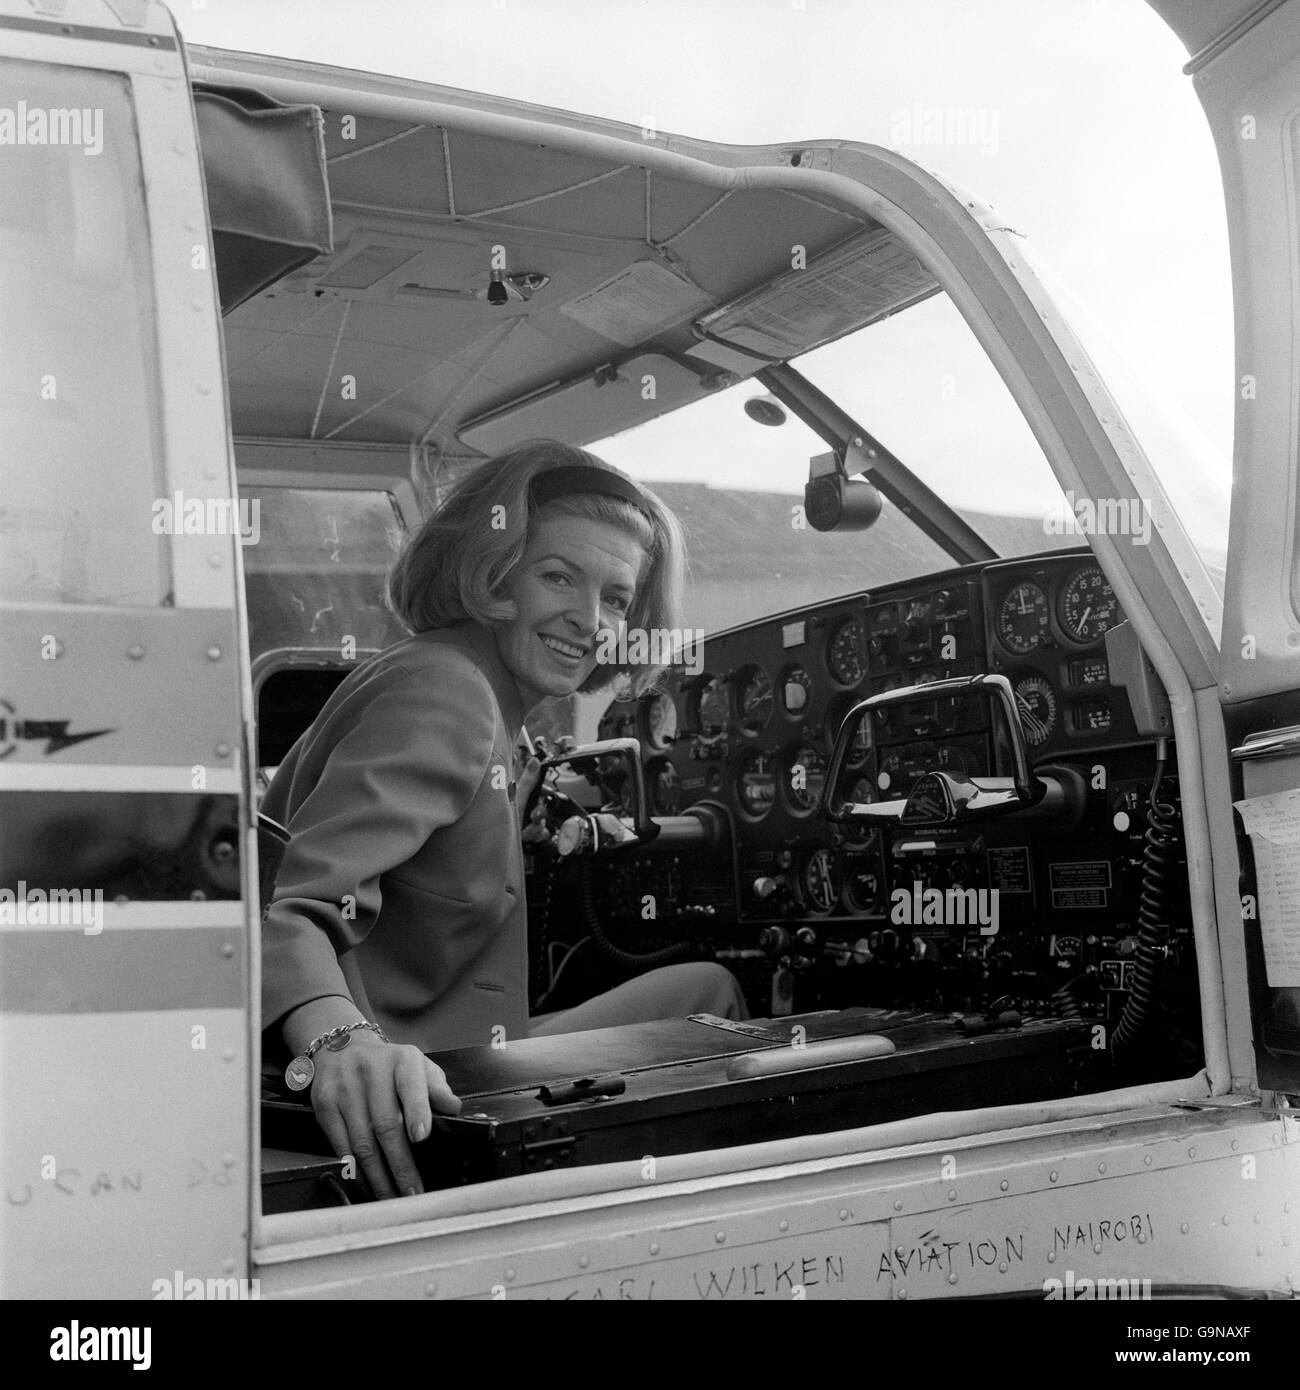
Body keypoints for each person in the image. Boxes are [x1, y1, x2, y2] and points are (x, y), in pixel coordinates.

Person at [261, 440, 747, 1198]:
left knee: (702, 991)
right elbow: (283, 904)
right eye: (558, 577)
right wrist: (339, 1038)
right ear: (492, 575)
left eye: (616, 599)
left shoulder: (475, 695)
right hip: (423, 1079)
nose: (590, 622)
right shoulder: (448, 693)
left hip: (466, 1049)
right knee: (724, 1007)